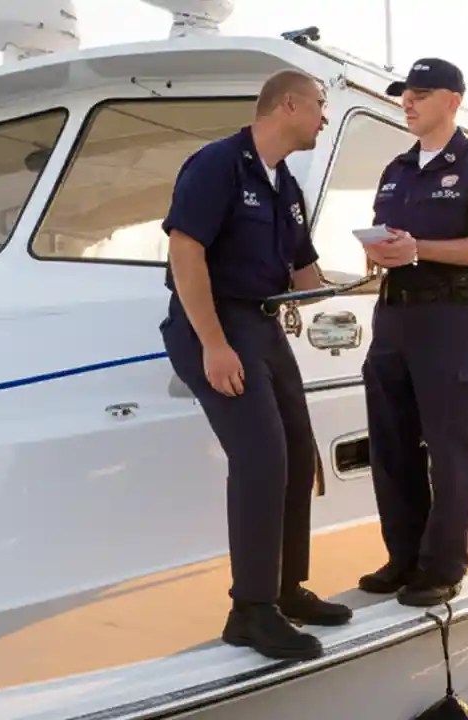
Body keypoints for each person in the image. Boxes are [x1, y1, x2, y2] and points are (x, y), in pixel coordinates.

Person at [159, 69, 353, 661]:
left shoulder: (284, 186)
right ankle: (250, 611)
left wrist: (374, 269)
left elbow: (306, 279)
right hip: (215, 324)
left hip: (266, 326)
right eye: (320, 105)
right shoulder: (218, 164)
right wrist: (214, 345)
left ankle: (286, 589)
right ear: (287, 104)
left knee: (297, 452)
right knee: (261, 455)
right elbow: (185, 249)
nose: (324, 116)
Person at [355, 58, 468, 608]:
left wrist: (420, 249)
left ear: (452, 100)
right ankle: (402, 559)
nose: (408, 102)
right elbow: (389, 245)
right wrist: (379, 250)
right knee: (391, 444)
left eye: (421, 94)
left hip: (452, 322)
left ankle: (442, 568)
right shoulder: (396, 170)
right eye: (405, 93)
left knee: (450, 448)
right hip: (394, 316)